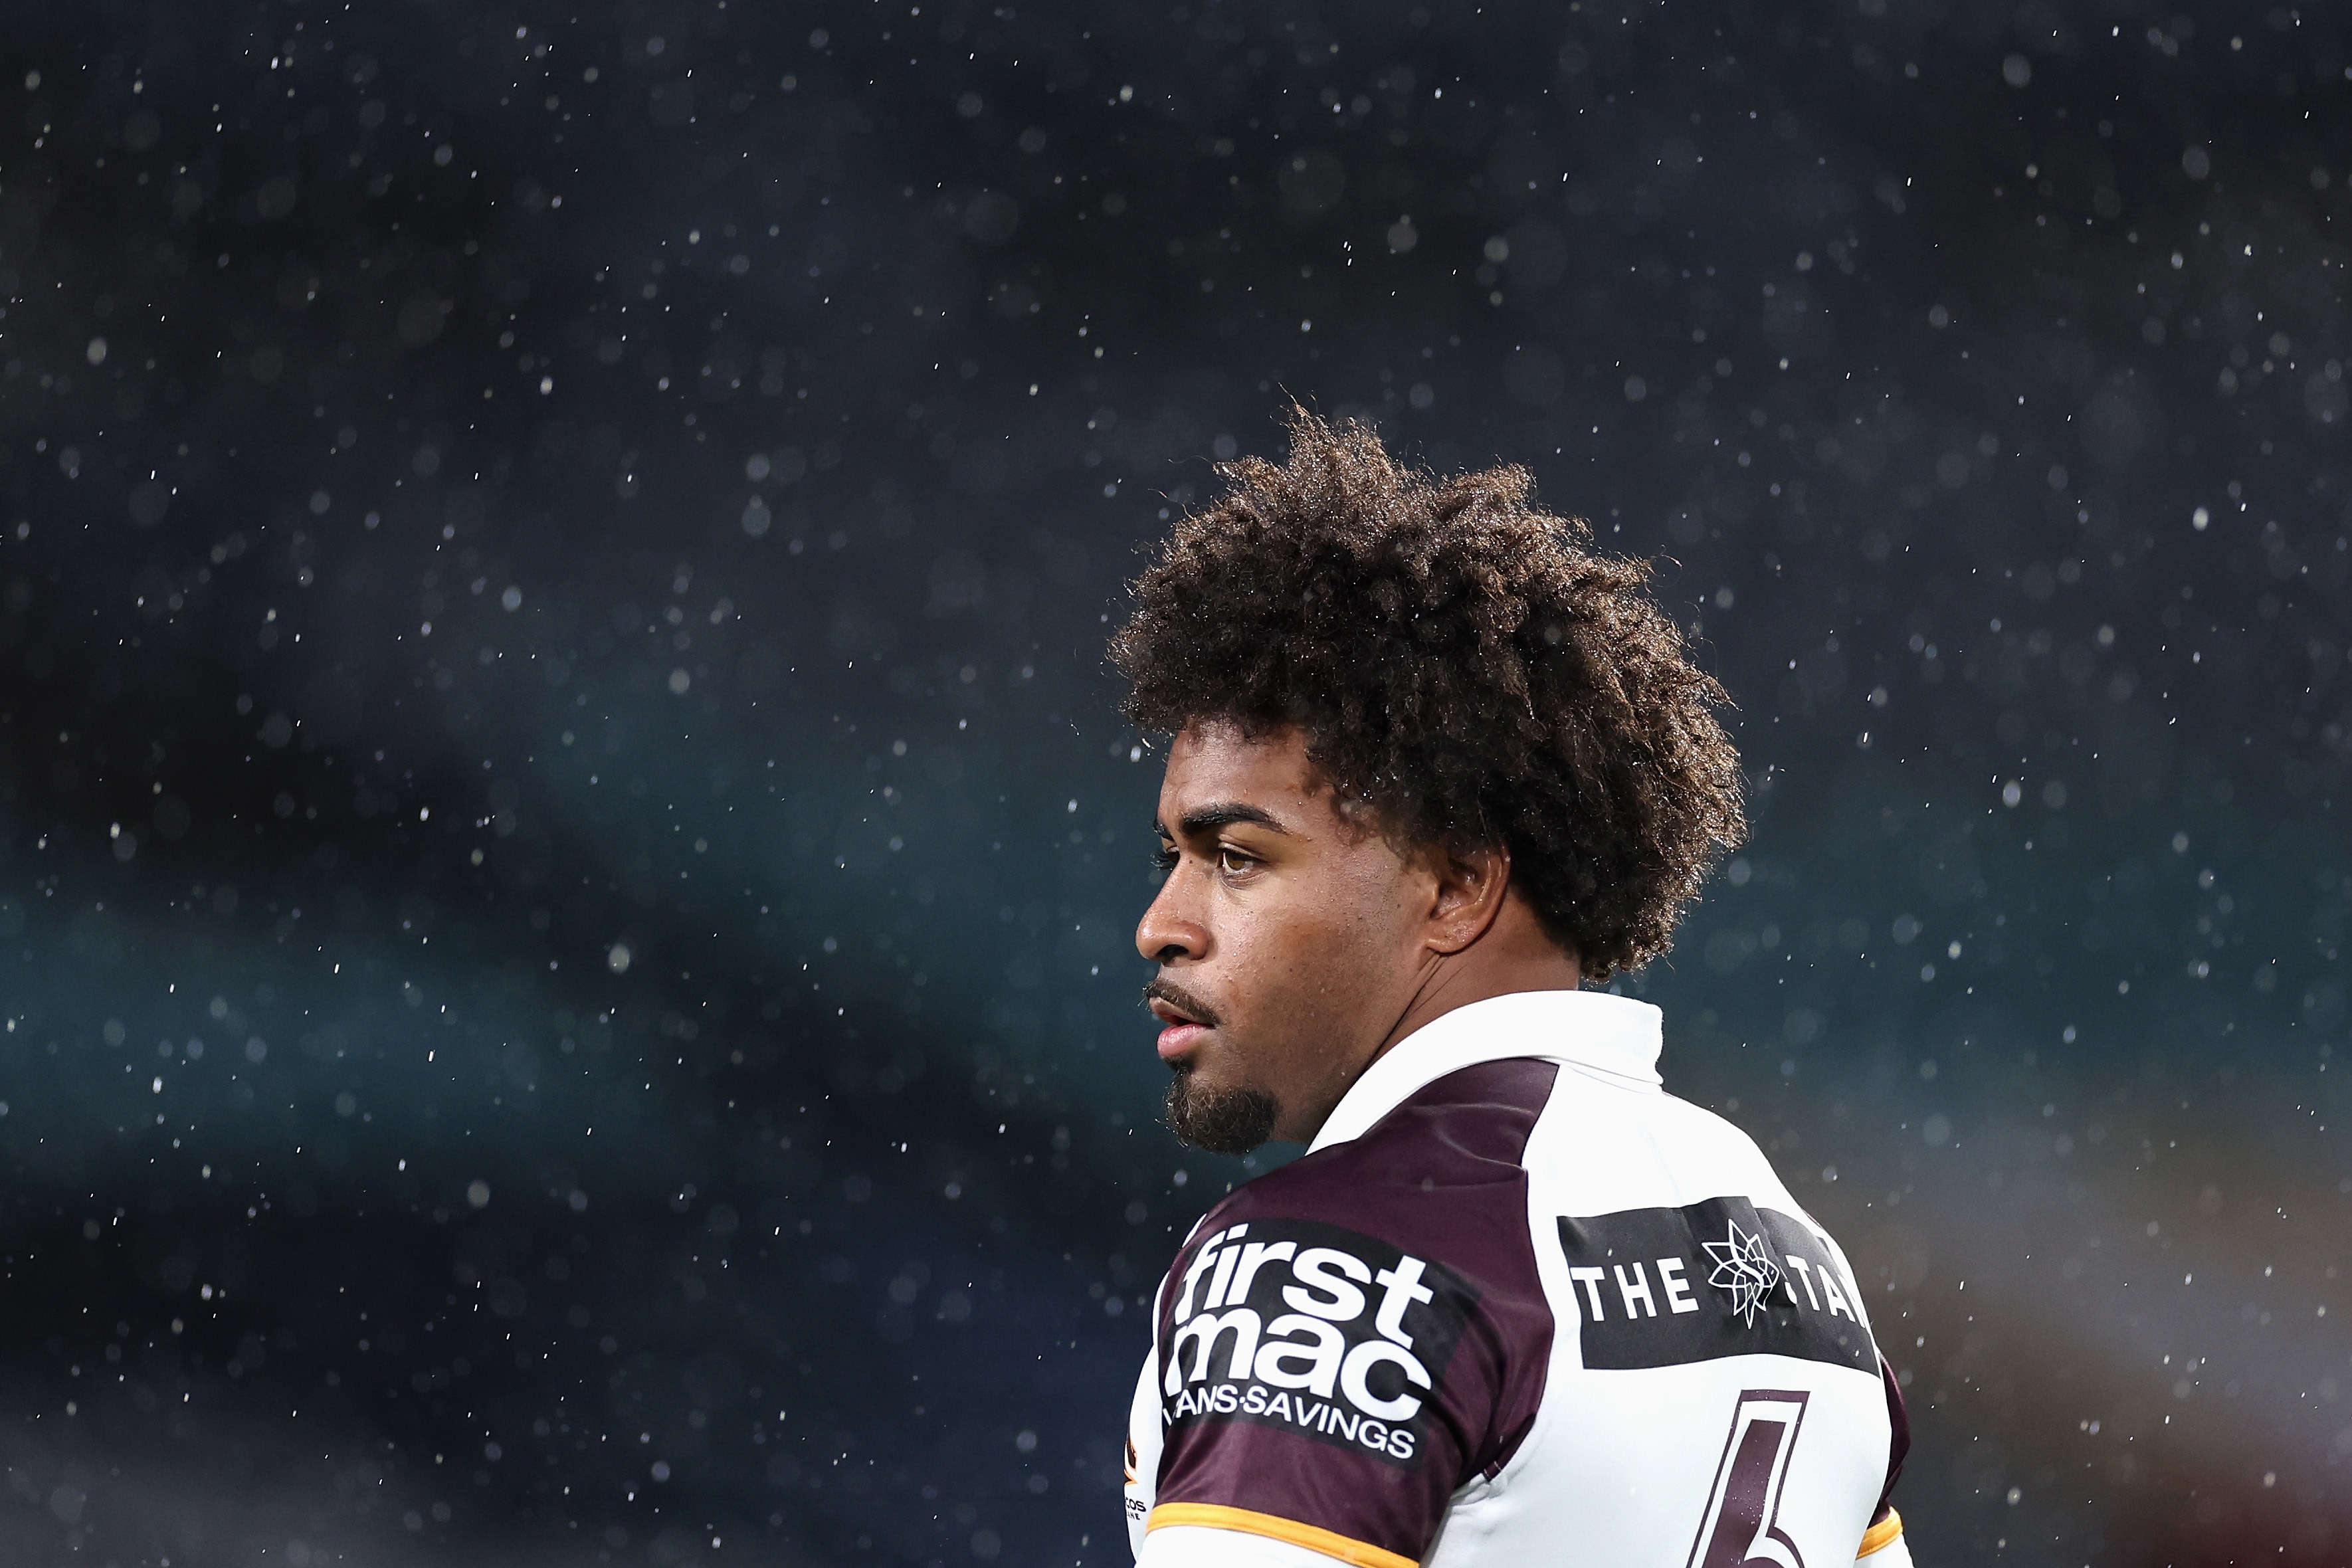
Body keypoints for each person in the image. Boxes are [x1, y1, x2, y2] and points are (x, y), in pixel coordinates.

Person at [1107, 413, 1911, 1568]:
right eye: (1171, 858)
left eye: (1236, 857)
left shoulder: (1328, 1261)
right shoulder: (1788, 1246)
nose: (1162, 925)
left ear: (1454, 886)